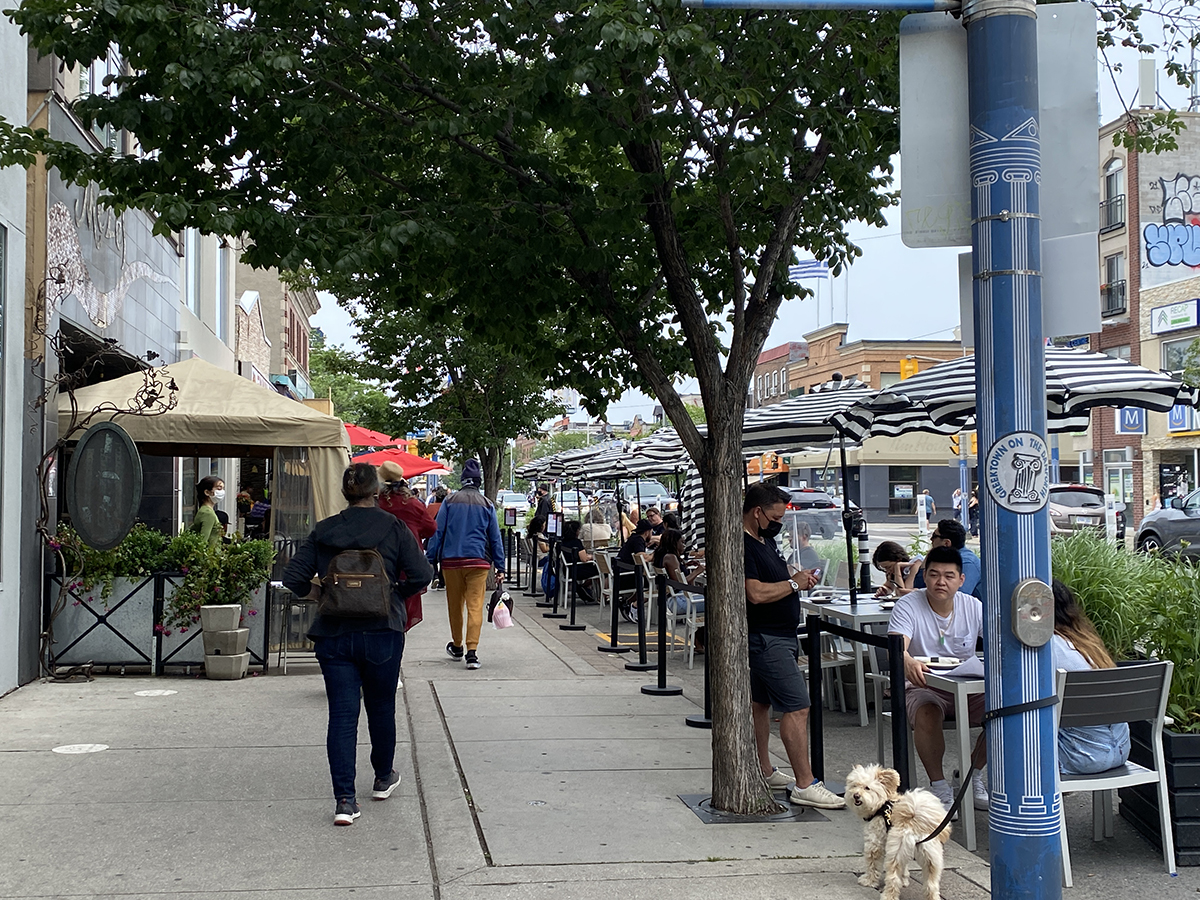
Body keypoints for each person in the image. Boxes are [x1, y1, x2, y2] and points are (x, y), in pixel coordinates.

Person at [282, 463, 432, 826]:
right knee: (381, 705)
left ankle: (345, 801)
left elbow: (292, 577)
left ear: (345, 493)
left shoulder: (325, 529)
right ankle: (383, 777)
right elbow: (423, 574)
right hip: (383, 628)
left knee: (342, 714)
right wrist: (393, 595)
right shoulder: (393, 526)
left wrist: (320, 592)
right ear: (376, 492)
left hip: (335, 631)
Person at [742, 482, 844, 809]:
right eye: (774, 516)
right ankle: (804, 782)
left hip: (778, 635)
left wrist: (796, 574)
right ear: (757, 513)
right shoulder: (744, 545)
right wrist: (793, 583)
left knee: (761, 704)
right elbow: (755, 592)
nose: (778, 523)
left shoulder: (765, 541)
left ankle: (764, 767)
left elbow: (779, 572)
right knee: (798, 706)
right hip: (766, 637)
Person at [887, 545, 987, 814]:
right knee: (927, 711)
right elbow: (898, 646)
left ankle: (970, 776)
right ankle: (939, 786)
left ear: (961, 580)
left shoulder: (973, 606)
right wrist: (906, 660)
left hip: (965, 686)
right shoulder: (908, 604)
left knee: (1004, 709)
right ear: (925, 577)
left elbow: (997, 642)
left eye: (949, 576)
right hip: (924, 685)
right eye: (933, 574)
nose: (940, 582)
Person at [426, 459, 505, 670]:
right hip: (478, 562)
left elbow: (438, 531)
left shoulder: (449, 501)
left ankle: (457, 646)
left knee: (455, 605)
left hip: (451, 562)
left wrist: (430, 558)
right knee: (475, 605)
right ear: (479, 482)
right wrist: (501, 566)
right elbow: (495, 537)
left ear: (462, 481)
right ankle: (472, 652)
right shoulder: (487, 504)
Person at [1051, 580, 1131, 775]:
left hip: (1080, 755)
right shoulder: (1088, 642)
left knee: (1007, 727)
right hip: (1122, 750)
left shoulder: (1049, 645)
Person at [914, 519, 981, 598]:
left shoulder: (967, 562)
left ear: (946, 543)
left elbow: (956, 598)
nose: (931, 540)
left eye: (934, 536)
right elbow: (918, 584)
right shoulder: (941, 558)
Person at [377, 463, 437, 546]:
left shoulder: (376, 503)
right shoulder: (413, 504)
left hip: (382, 553)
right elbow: (431, 529)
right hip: (411, 551)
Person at [615, 519, 654, 621]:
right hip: (625, 576)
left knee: (646, 581)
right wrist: (656, 553)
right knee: (653, 585)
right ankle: (634, 606)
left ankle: (627, 603)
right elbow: (642, 558)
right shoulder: (638, 540)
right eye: (651, 532)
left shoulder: (633, 538)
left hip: (620, 574)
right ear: (647, 532)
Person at [559, 520, 600, 602]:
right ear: (575, 531)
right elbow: (584, 559)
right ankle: (600, 595)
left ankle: (585, 588)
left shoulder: (562, 542)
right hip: (577, 570)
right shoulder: (576, 542)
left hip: (567, 569)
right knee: (600, 570)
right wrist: (591, 557)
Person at [190, 476, 225, 548]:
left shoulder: (204, 511)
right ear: (207, 492)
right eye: (219, 488)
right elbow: (202, 542)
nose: (222, 492)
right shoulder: (208, 513)